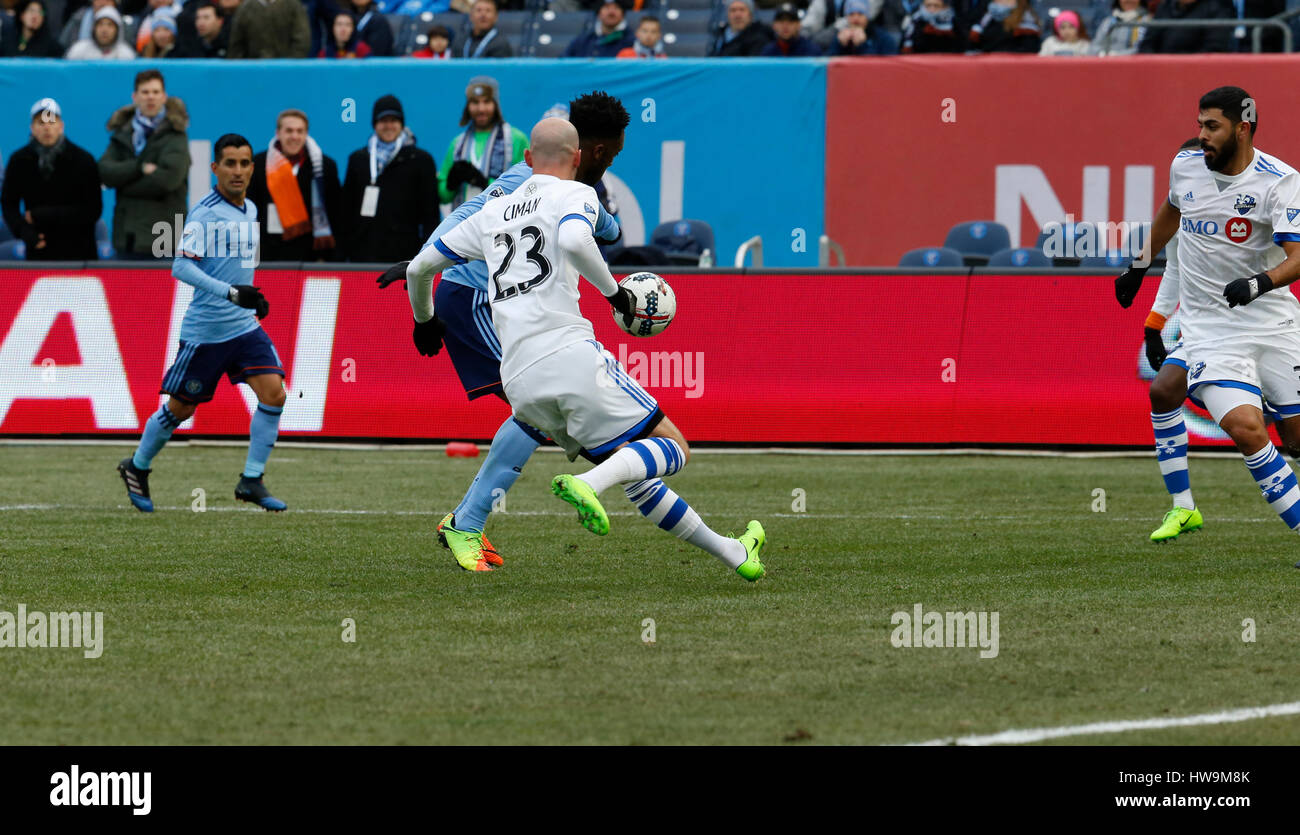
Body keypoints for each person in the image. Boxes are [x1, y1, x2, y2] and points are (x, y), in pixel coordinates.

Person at [402, 117, 768, 581]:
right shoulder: (575, 193)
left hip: (520, 381)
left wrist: (424, 320)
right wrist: (615, 295)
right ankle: (583, 484)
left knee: (634, 470)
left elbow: (419, 268)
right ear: (578, 159)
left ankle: (734, 552)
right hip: (569, 356)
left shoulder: (493, 213)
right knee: (673, 446)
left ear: (528, 157)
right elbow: (576, 239)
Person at [374, 91, 626, 572]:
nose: (613, 159)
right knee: (535, 410)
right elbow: (466, 218)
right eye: (613, 152)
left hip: (507, 307)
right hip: (473, 300)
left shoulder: (582, 190)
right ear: (594, 151)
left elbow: (599, 234)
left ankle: (470, 520)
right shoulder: (525, 179)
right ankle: (467, 521)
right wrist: (422, 263)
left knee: (539, 410)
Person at [1114, 88, 1300, 549]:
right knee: (1244, 428)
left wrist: (1259, 282)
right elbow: (1169, 217)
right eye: (1199, 125)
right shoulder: (1186, 165)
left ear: (1242, 129)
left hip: (1274, 326)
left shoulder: (1280, 182)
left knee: (1294, 440)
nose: (1202, 136)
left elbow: (1298, 256)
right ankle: (1185, 506)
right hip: (1209, 333)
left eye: (1212, 127)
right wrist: (1138, 265)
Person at [117, 134, 290, 514]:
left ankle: (251, 480)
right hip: (207, 333)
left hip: (244, 327)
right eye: (230, 163)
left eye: (245, 163)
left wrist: (252, 297)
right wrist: (231, 293)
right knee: (181, 409)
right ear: (214, 168)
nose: (239, 171)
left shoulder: (251, 210)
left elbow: (239, 265)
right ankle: (137, 465)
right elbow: (181, 265)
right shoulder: (205, 213)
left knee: (274, 393)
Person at [98, 70, 191, 259]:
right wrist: (140, 167)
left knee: (161, 289)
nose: (151, 97)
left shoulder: (176, 135)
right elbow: (105, 172)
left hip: (165, 237)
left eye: (156, 92)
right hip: (127, 236)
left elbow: (168, 180)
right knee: (126, 289)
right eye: (145, 92)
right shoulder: (122, 133)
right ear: (135, 96)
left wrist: (124, 185)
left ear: (164, 97)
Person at [340, 94, 439, 262]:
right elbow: (346, 211)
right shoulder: (358, 159)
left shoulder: (421, 160)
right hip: (364, 253)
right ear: (375, 124)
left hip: (406, 255)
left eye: (394, 120)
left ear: (401, 124)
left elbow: (430, 215)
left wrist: (427, 256)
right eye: (383, 121)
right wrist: (343, 252)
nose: (388, 126)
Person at [1, 98, 102, 261]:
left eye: (52, 121)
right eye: (41, 122)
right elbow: (8, 203)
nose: (47, 127)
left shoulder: (83, 160)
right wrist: (24, 231)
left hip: (78, 253)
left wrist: (43, 215)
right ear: (32, 128)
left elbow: (92, 209)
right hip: (39, 251)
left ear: (61, 126)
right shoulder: (19, 160)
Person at [246, 108, 341, 262]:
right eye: (289, 131)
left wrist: (327, 257)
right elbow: (250, 213)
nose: (294, 136)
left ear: (306, 134)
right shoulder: (258, 164)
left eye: (300, 131)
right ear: (278, 133)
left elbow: (335, 214)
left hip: (308, 256)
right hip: (268, 255)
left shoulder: (324, 166)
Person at [438, 76, 528, 211]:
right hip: (463, 225)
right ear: (468, 106)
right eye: (475, 102)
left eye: (487, 102)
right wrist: (452, 184)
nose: (481, 109)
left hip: (501, 224)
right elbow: (443, 196)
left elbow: (526, 188)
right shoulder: (457, 144)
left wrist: (486, 183)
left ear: (496, 104)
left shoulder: (515, 139)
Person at [1137, 0, 1234, 53]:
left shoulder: (1217, 7)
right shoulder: (1165, 6)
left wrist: (1181, 62)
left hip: (1196, 70)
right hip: (1161, 69)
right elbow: (1147, 44)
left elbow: (1215, 49)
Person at [227, 0, 310, 57]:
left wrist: (290, 66)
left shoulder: (293, 6)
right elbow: (236, 46)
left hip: (286, 70)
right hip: (254, 71)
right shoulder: (245, 8)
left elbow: (302, 42)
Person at [563, 0, 634, 57]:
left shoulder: (632, 41)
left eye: (616, 8)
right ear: (599, 13)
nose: (611, 12)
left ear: (623, 14)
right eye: (606, 7)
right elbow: (563, 61)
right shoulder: (584, 40)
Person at [821, 0, 896, 54]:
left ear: (867, 16)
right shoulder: (840, 36)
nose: (855, 18)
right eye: (851, 14)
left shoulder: (883, 38)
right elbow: (828, 65)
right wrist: (839, 44)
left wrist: (863, 45)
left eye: (860, 14)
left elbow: (886, 68)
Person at [969, 0, 1042, 52]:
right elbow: (975, 46)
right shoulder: (985, 19)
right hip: (987, 67)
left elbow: (1029, 50)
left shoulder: (1026, 22)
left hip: (1011, 68)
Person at [65, 4, 136, 58]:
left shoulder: (126, 55)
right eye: (100, 24)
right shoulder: (78, 51)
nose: (104, 30)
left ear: (118, 30)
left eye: (110, 25)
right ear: (93, 28)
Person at [708, 0, 773, 55]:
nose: (737, 15)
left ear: (750, 15)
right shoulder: (720, 34)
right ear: (727, 14)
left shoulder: (760, 37)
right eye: (733, 10)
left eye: (742, 10)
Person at [899, 0, 964, 53]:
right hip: (922, 58)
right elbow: (908, 43)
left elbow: (961, 42)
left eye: (936, 6)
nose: (932, 9)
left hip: (946, 58)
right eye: (928, 5)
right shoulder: (916, 20)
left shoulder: (952, 20)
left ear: (943, 7)